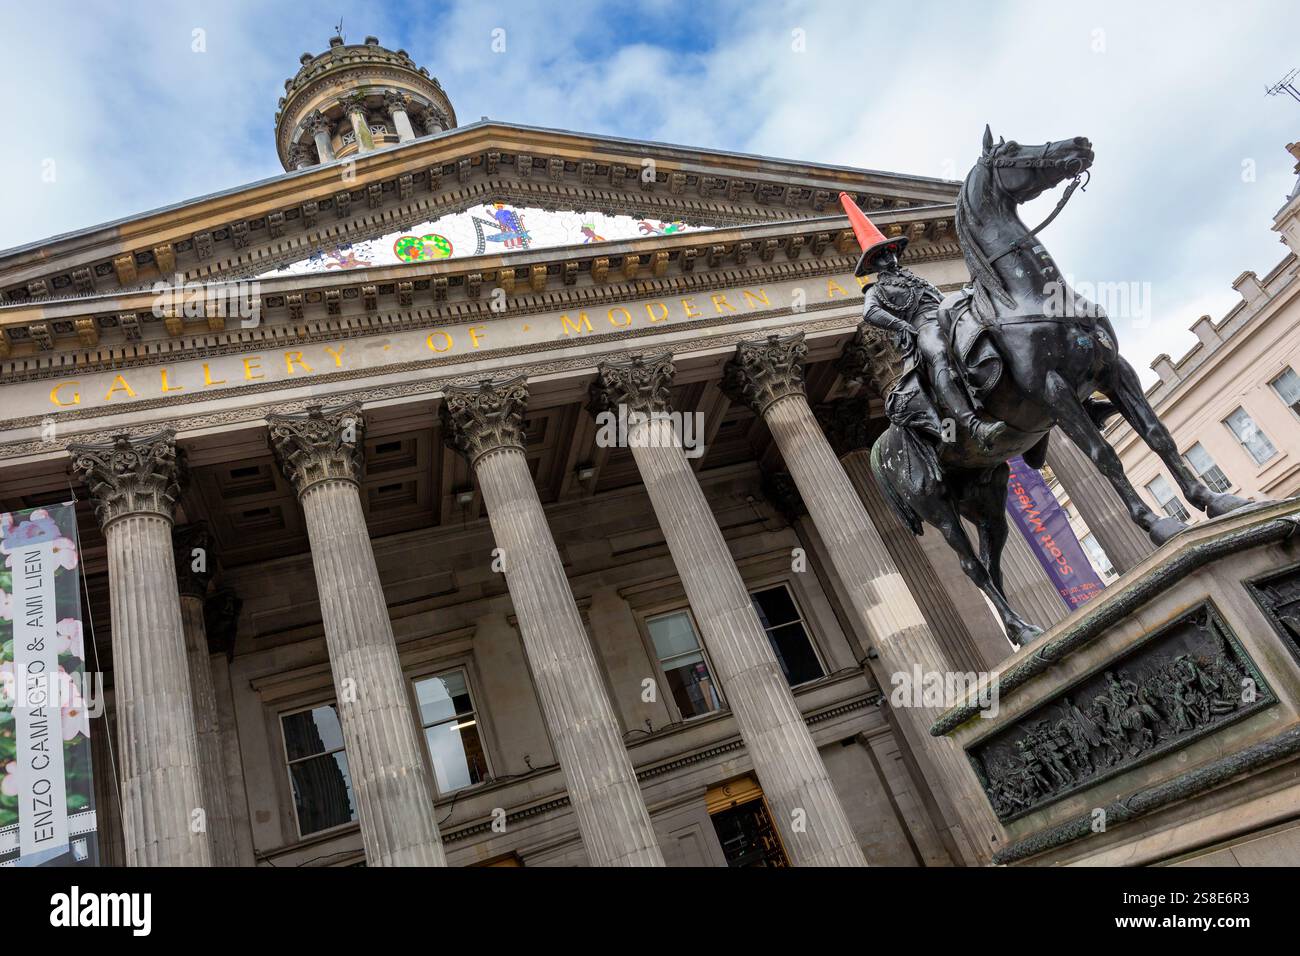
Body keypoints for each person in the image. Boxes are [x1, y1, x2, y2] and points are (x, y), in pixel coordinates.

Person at [841, 193, 1007, 452]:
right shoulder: (875, 289)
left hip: (946, 316)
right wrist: (901, 325)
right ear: (873, 264)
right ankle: (974, 425)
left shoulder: (916, 278)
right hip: (923, 326)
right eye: (881, 255)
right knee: (940, 354)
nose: (889, 256)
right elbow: (870, 313)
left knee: (999, 332)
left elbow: (941, 299)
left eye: (890, 251)